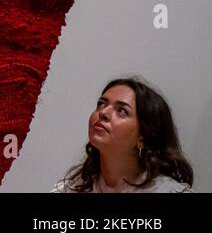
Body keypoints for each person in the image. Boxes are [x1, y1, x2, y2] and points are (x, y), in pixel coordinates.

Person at [52, 77, 194, 192]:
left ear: (142, 137)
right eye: (101, 104)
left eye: (122, 111)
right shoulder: (69, 188)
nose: (103, 113)